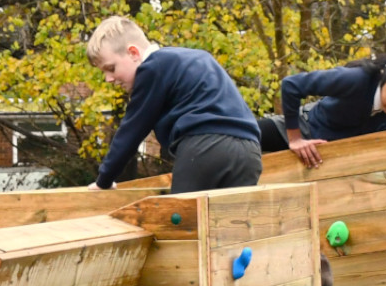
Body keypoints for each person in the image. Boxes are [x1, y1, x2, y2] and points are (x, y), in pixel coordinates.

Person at [85, 16, 262, 195]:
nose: (108, 79)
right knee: (232, 219)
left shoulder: (152, 68)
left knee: (182, 218)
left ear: (133, 53)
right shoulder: (194, 57)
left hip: (204, 148)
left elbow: (132, 130)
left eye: (111, 68)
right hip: (249, 151)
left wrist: (104, 179)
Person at [258, 48, 386, 169]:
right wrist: (295, 138)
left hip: (331, 158)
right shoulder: (356, 79)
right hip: (305, 127)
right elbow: (292, 85)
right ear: (383, 77)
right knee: (243, 137)